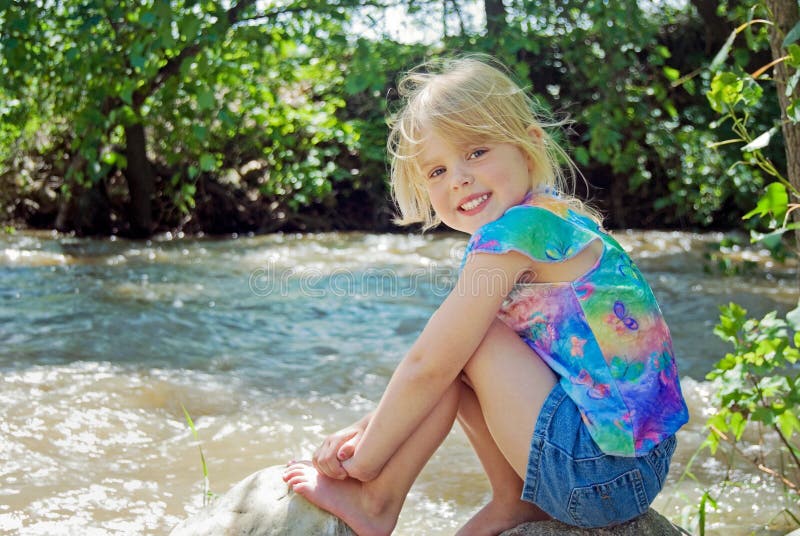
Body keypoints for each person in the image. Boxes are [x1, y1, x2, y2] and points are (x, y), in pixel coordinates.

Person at [282, 54, 689, 536]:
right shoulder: (555, 216)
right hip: (634, 465)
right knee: (463, 344)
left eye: (476, 152)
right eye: (436, 171)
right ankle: (515, 500)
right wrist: (368, 426)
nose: (458, 177)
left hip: (598, 474)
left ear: (530, 145)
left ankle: (374, 498)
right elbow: (438, 374)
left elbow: (429, 366)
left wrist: (365, 459)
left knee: (465, 342)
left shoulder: (515, 235)